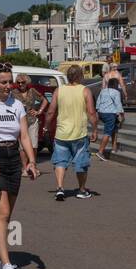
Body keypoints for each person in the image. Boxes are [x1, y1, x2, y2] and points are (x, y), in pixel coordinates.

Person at [0, 63, 39, 269]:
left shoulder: (17, 105)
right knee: (3, 212)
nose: (8, 86)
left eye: (10, 82)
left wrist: (31, 162)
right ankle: (6, 265)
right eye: (3, 82)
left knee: (5, 215)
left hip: (13, 158)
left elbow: (24, 136)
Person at [43, 64, 98, 199]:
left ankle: (60, 187)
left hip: (61, 133)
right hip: (79, 134)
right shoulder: (85, 91)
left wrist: (46, 126)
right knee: (81, 163)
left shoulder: (59, 91)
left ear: (68, 77)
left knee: (60, 162)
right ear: (80, 76)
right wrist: (95, 129)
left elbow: (51, 111)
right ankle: (81, 189)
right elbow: (91, 112)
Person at [13, 74, 45, 154]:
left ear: (27, 82)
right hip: (19, 121)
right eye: (18, 82)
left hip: (32, 120)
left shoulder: (32, 90)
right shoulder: (13, 93)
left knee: (34, 145)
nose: (20, 84)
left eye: (23, 82)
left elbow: (44, 100)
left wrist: (39, 111)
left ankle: (32, 163)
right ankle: (24, 166)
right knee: (22, 147)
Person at [95, 78, 124, 161]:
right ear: (116, 85)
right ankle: (100, 152)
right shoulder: (116, 92)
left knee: (114, 128)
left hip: (101, 113)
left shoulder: (103, 91)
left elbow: (97, 103)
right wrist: (121, 114)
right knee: (107, 133)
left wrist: (98, 112)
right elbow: (118, 105)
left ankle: (114, 148)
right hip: (110, 114)